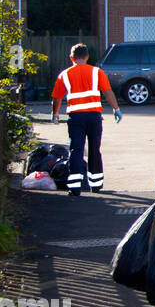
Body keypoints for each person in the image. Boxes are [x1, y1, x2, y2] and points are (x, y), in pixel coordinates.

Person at [51, 44, 121, 196]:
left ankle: (75, 187)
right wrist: (116, 109)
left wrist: (55, 113)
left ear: (71, 58)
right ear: (87, 57)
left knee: (76, 149)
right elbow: (107, 92)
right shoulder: (97, 72)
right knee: (94, 149)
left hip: (75, 117)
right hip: (94, 117)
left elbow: (57, 98)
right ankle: (96, 185)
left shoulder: (65, 74)